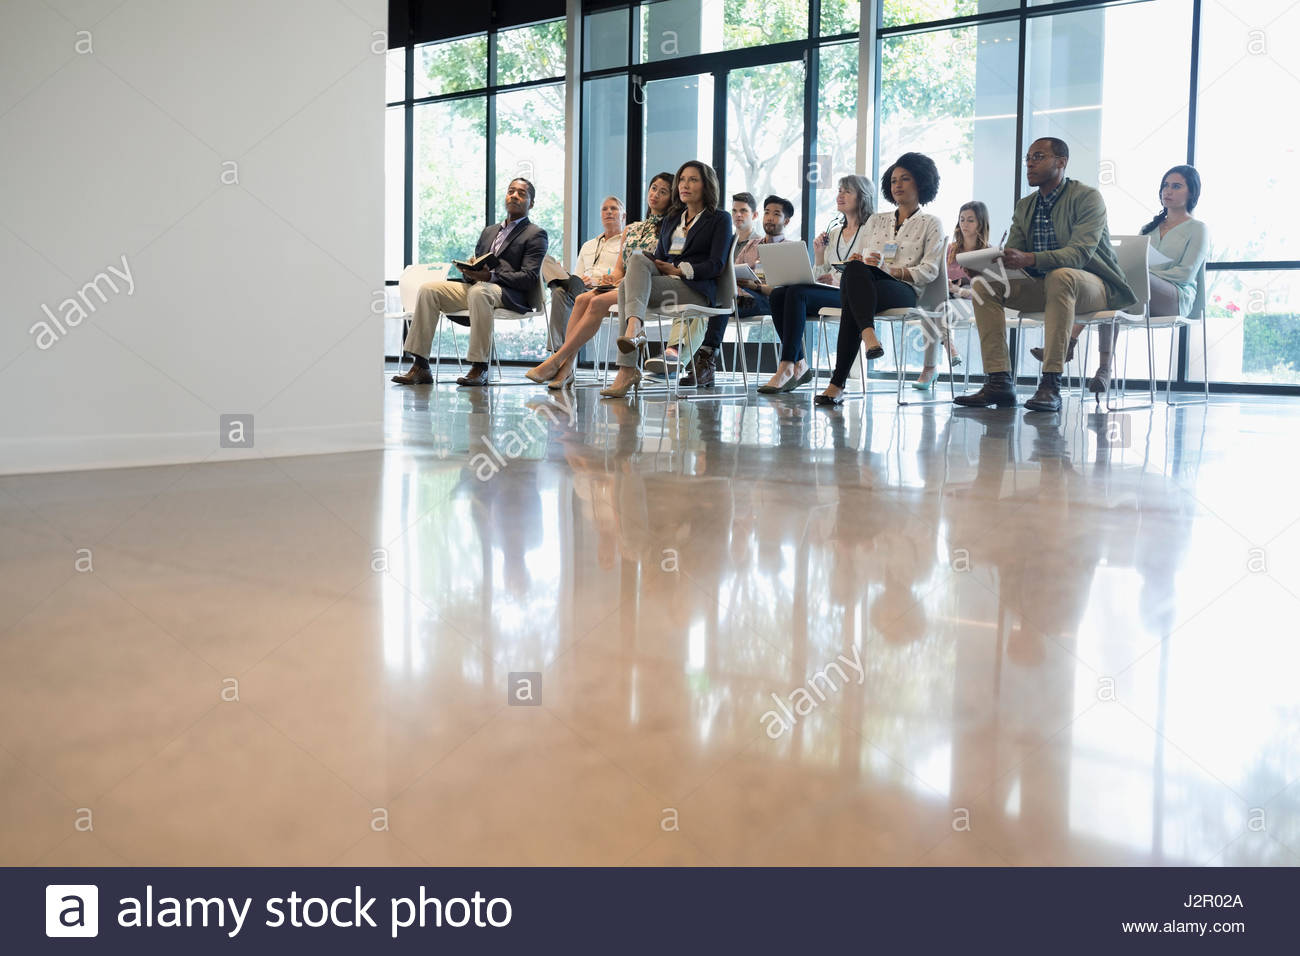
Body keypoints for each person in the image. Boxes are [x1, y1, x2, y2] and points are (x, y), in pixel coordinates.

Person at [954, 138, 1135, 412]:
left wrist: (1030, 258)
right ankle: (999, 381)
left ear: (1061, 162)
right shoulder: (1025, 206)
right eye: (1027, 158)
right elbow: (1014, 255)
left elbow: (1079, 255)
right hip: (1048, 287)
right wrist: (987, 267)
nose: (1029, 163)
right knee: (983, 285)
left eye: (1038, 156)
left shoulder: (1088, 198)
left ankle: (1051, 383)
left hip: (1094, 287)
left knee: (1061, 276)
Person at [1029, 165, 1209, 399]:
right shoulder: (1149, 229)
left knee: (1120, 284)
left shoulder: (1199, 229)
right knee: (1115, 288)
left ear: (1191, 193)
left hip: (1175, 298)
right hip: (1140, 296)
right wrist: (1136, 277)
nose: (1168, 191)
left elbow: (1184, 274)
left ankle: (1067, 345)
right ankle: (1103, 369)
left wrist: (1144, 277)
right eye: (1165, 185)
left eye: (1176, 186)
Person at [814, 153, 945, 406]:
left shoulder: (931, 223)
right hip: (867, 285)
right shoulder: (877, 220)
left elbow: (930, 270)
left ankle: (837, 383)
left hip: (904, 289)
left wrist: (891, 270)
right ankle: (868, 334)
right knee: (854, 269)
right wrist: (859, 259)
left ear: (921, 183)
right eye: (894, 180)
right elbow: (859, 258)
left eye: (905, 179)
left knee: (853, 295)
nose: (898, 185)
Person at [393, 178, 548, 387]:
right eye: (511, 191)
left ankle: (479, 367)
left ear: (531, 203)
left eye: (521, 193)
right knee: (430, 289)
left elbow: (528, 278)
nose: (514, 196)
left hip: (508, 293)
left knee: (480, 292)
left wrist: (491, 277)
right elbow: (478, 266)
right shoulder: (489, 231)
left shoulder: (535, 234)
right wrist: (470, 271)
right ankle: (420, 366)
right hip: (478, 286)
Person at [524, 174, 674, 389]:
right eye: (653, 188)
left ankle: (558, 361)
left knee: (594, 302)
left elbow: (660, 265)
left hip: (647, 287)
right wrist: (609, 279)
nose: (655, 194)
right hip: (618, 285)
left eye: (663, 191)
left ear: (671, 198)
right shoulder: (632, 230)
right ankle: (566, 368)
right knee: (582, 298)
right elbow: (621, 269)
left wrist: (618, 281)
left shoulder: (669, 229)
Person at [602, 160, 733, 397]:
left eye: (693, 180)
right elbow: (660, 257)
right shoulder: (673, 218)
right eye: (682, 179)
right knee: (638, 260)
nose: (685, 185)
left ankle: (627, 365)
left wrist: (681, 270)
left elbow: (717, 265)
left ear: (706, 185)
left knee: (625, 291)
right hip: (667, 283)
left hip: (697, 289)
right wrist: (662, 266)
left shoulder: (719, 218)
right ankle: (633, 332)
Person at [759, 175, 875, 394]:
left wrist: (838, 279)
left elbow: (868, 270)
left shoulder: (871, 230)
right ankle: (799, 364)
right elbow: (822, 275)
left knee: (796, 294)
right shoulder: (834, 233)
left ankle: (787, 366)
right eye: (839, 190)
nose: (840, 195)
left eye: (847, 191)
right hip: (831, 292)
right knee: (779, 295)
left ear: (862, 197)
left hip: (854, 296)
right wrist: (819, 256)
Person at [682, 194, 793, 388]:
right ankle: (703, 362)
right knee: (720, 300)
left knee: (725, 304)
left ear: (787, 220)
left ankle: (704, 362)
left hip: (770, 300)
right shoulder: (751, 245)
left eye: (776, 214)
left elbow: (786, 289)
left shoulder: (789, 248)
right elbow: (731, 273)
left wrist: (756, 287)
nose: (769, 218)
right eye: (767, 213)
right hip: (742, 297)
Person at [908, 202, 987, 389]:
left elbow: (983, 293)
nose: (965, 224)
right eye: (962, 220)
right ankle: (947, 348)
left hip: (969, 303)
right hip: (945, 302)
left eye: (970, 220)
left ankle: (930, 368)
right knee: (932, 308)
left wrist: (957, 290)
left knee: (938, 309)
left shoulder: (986, 252)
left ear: (980, 224)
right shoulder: (949, 249)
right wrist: (947, 287)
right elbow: (936, 276)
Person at [545, 196, 625, 353]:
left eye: (613, 208)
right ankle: (559, 277)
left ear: (623, 216)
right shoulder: (588, 245)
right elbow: (578, 275)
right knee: (548, 265)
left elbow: (628, 277)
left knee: (560, 293)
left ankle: (558, 354)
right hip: (582, 289)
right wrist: (577, 279)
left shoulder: (627, 243)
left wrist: (597, 282)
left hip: (606, 292)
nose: (608, 212)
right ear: (601, 215)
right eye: (604, 209)